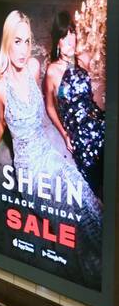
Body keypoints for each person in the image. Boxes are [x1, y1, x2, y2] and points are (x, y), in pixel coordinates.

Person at [0, 10, 101, 287]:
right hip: (30, 169)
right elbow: (3, 120)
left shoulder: (36, 68)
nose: (23, 50)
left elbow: (51, 100)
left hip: (48, 152)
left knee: (87, 198)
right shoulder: (0, 86)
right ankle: (90, 274)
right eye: (17, 41)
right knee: (73, 218)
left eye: (27, 41)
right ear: (7, 42)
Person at [45, 10, 105, 196]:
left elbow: (93, 93)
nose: (70, 39)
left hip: (100, 128)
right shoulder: (52, 72)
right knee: (91, 188)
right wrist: (64, 134)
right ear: (58, 41)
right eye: (65, 35)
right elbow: (49, 106)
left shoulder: (83, 60)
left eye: (72, 33)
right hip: (78, 137)